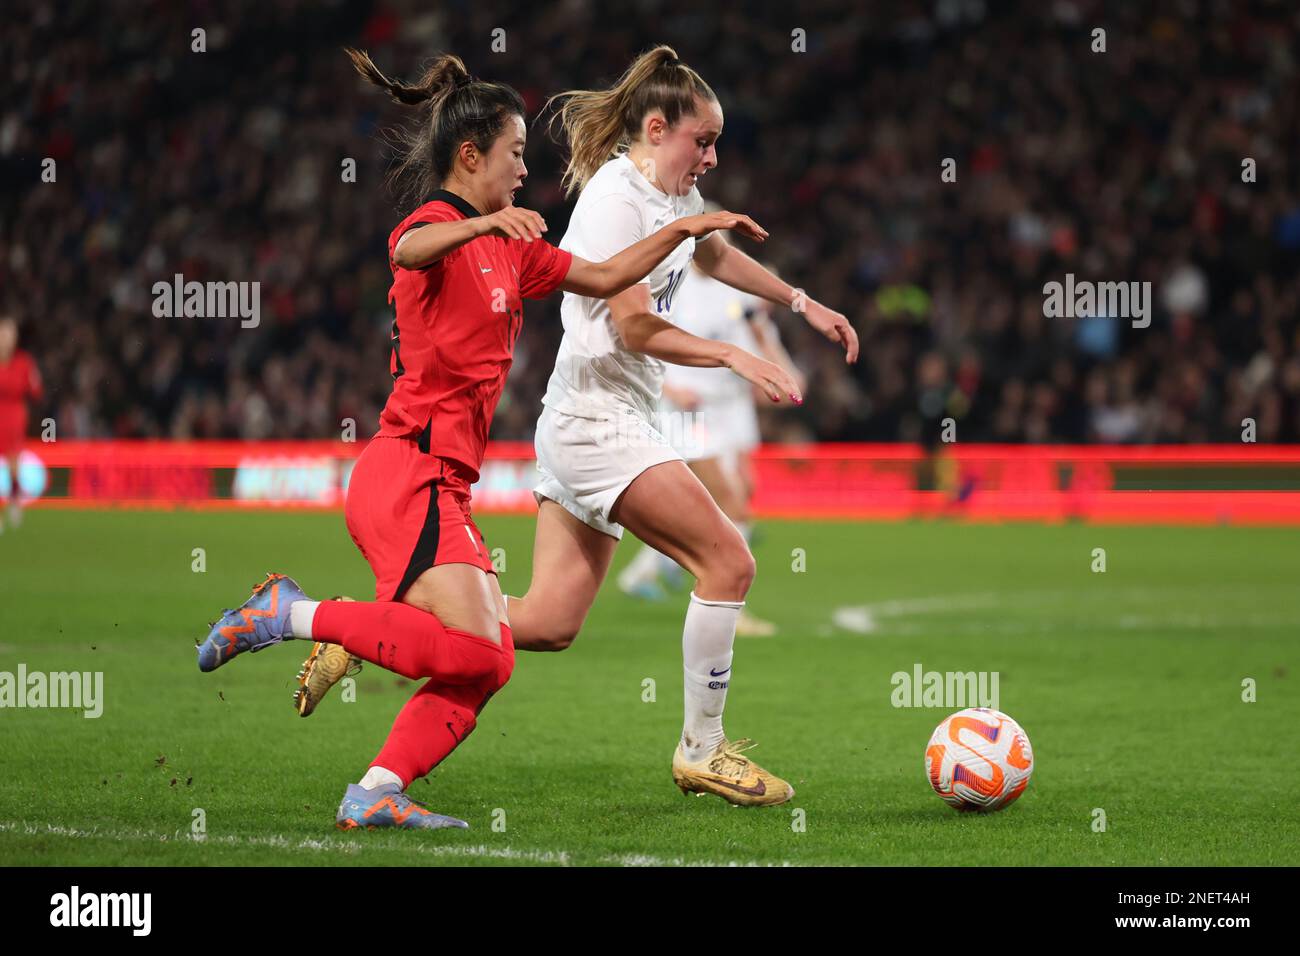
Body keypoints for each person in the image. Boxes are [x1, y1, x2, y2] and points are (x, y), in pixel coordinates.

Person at [194, 48, 768, 831]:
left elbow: (602, 278)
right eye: (515, 156)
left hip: (443, 484)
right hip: (405, 475)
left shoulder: (514, 247)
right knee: (484, 651)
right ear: (472, 157)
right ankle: (290, 613)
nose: (525, 173)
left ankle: (375, 790)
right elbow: (405, 247)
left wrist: (690, 227)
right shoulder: (441, 228)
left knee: (491, 655)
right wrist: (481, 224)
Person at [504, 45, 858, 806]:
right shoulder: (616, 200)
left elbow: (716, 257)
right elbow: (632, 327)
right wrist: (731, 356)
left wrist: (804, 305)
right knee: (729, 562)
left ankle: (362, 629)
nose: (713, 156)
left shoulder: (670, 197)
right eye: (703, 141)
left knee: (544, 622)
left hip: (589, 418)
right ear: (657, 128)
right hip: (598, 422)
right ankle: (703, 749)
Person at [616, 249, 805, 639]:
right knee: (729, 501)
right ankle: (725, 605)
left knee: (733, 497)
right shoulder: (673, 287)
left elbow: (775, 358)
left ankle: (655, 569)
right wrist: (670, 389)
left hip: (729, 410)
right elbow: (642, 341)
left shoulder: (737, 297)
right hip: (689, 412)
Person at [0, 313, 43, 534]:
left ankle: (15, 501)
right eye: (3, 333)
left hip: (14, 415)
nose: (6, 338)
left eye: (10, 334)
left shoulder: (23, 362)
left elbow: (35, 390)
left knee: (13, 461)